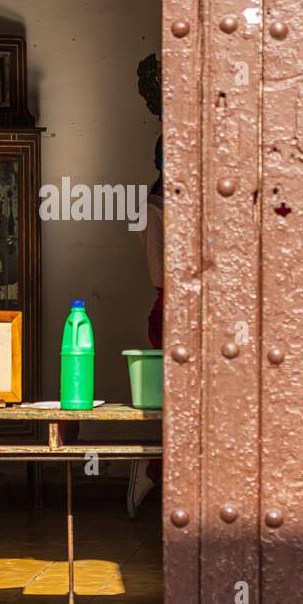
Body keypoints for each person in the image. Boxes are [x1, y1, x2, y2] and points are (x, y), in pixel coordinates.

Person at [127, 135, 164, 518]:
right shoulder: (151, 208)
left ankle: (155, 471)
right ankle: (152, 469)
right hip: (171, 313)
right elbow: (158, 274)